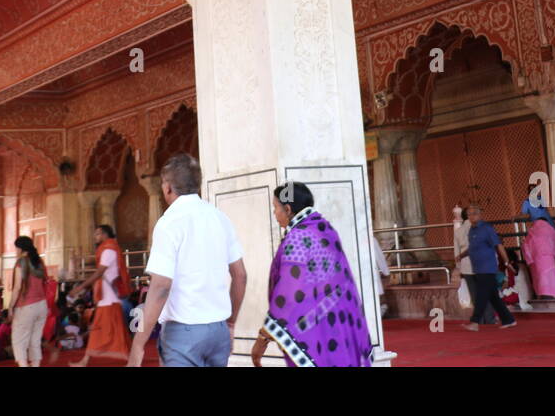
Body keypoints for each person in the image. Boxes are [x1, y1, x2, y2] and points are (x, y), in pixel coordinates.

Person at [127, 153, 247, 367]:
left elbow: (161, 286)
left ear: (167, 188)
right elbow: (240, 276)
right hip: (218, 329)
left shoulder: (169, 223)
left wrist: (138, 345)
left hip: (183, 332)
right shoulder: (220, 218)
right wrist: (230, 324)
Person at [252, 182, 373, 367]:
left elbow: (289, 292)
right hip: (340, 324)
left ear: (288, 208)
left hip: (317, 333)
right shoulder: (324, 229)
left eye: (275, 208)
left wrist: (263, 337)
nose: (274, 214)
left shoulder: (298, 238)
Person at [69, 225, 130, 366]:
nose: (95, 237)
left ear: (104, 234)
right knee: (104, 330)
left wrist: (80, 287)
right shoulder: (109, 248)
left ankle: (129, 360)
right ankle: (85, 361)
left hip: (109, 300)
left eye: (97, 234)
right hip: (108, 299)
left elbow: (99, 273)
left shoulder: (108, 250)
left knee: (110, 331)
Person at [455, 205, 516, 331]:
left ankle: (475, 321)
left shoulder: (487, 229)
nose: (472, 216)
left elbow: (498, 245)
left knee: (481, 295)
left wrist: (506, 262)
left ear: (480, 215)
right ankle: (508, 319)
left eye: (474, 214)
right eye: (470, 214)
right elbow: (472, 248)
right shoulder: (472, 230)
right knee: (493, 296)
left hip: (487, 267)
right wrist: (461, 255)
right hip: (477, 267)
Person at [7, 235, 50, 367]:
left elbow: (17, 288)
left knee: (19, 340)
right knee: (35, 340)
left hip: (26, 306)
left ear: (20, 248)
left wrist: (10, 307)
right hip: (42, 305)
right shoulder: (39, 262)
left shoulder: (21, 262)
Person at [520, 191, 555, 298]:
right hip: (549, 257)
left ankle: (543, 293)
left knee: (540, 275)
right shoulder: (551, 230)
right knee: (551, 273)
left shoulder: (532, 231)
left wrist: (529, 259)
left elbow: (526, 245)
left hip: (537, 258)